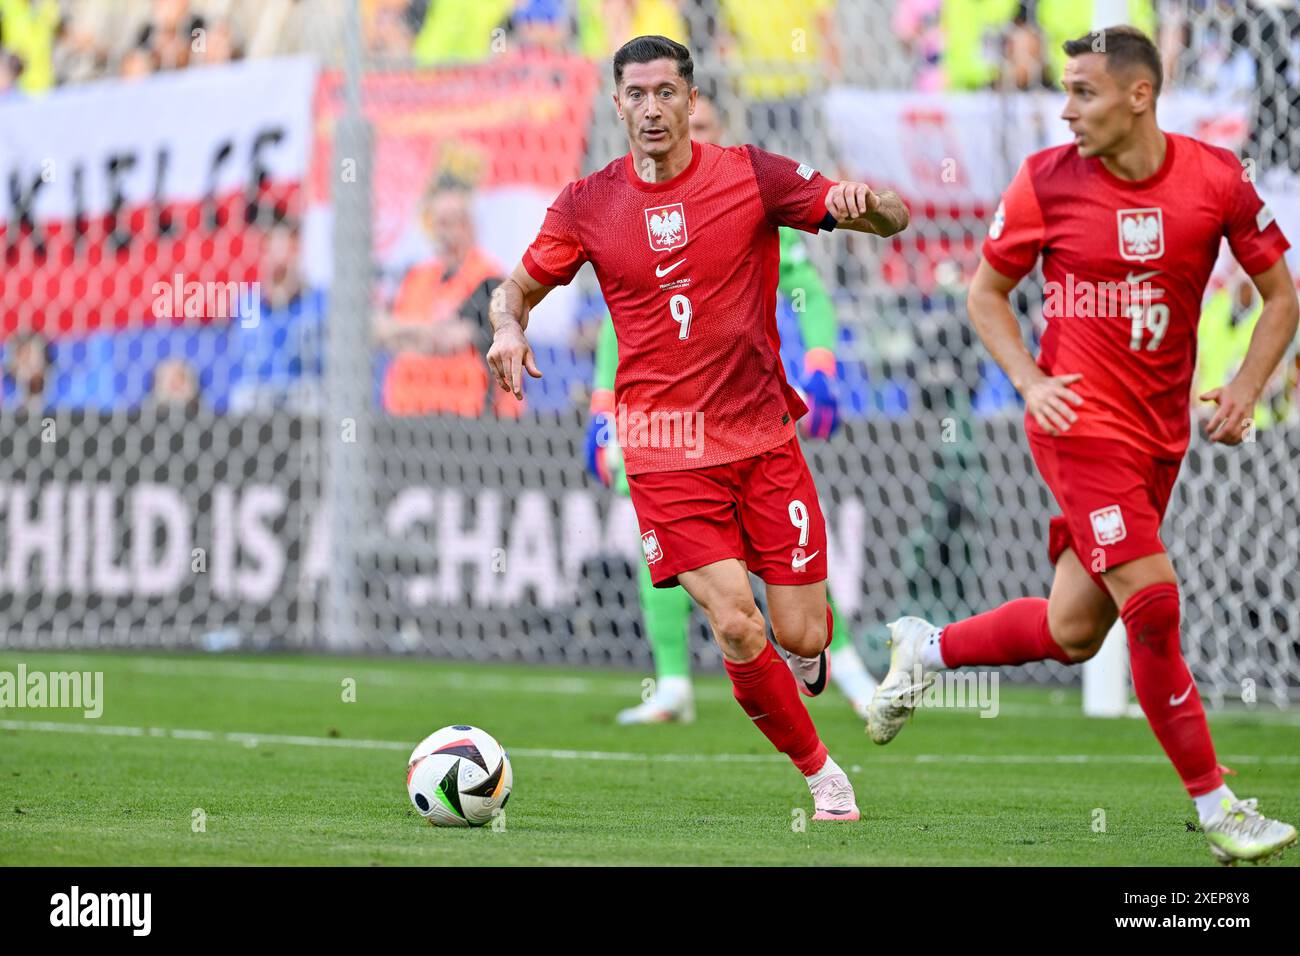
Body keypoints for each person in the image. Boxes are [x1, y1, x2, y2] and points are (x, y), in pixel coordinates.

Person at [867, 26, 1299, 864]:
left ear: (1140, 96)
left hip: (1157, 436)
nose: (1065, 110)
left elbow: (1281, 294)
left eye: (1084, 93)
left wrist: (1245, 387)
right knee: (1155, 601)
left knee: (1073, 631)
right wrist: (1030, 382)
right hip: (1074, 426)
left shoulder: (1216, 179)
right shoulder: (1045, 182)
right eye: (1064, 90)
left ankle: (927, 649)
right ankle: (1218, 809)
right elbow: (986, 294)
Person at [488, 36, 908, 821]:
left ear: (690, 100)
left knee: (802, 629)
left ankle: (810, 657)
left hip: (762, 437)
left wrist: (870, 203)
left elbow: (892, 219)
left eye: (666, 93)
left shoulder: (750, 175)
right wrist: (509, 329)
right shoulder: (586, 204)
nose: (651, 108)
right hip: (665, 449)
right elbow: (511, 290)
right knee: (738, 623)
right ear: (617, 105)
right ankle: (821, 773)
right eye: (636, 94)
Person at [585, 90, 878, 724]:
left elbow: (806, 291)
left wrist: (822, 367)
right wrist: (601, 405)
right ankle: (671, 683)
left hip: (746, 408)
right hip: (663, 418)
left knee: (781, 560)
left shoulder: (743, 193)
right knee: (664, 543)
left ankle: (837, 658)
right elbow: (622, 323)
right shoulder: (625, 209)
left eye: (705, 123)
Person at [377, 176, 521, 418]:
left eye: (451, 222)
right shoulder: (417, 276)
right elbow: (383, 331)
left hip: (465, 412)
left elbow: (451, 338)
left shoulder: (489, 278)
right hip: (407, 408)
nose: (443, 232)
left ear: (469, 225)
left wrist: (409, 333)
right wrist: (425, 332)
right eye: (438, 223)